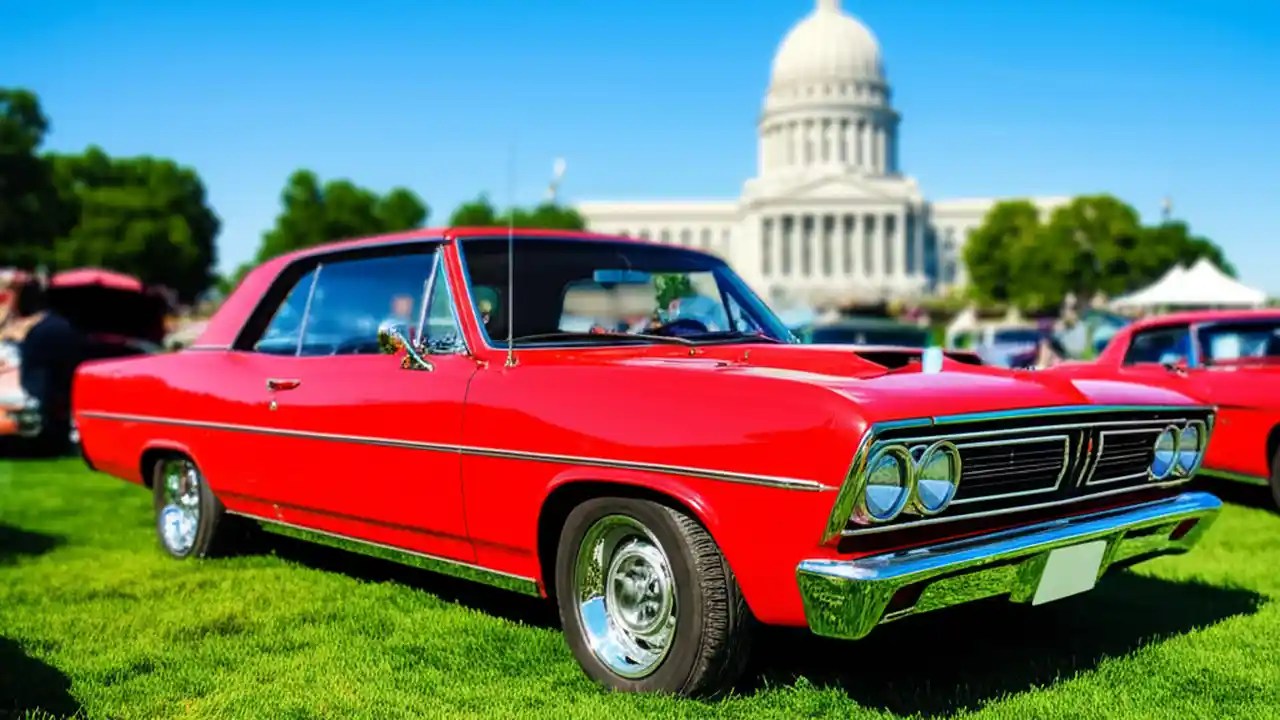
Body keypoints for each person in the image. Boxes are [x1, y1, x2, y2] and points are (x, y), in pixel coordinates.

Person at [6, 279, 86, 454]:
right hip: (58, 414)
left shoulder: (40, 332)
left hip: (41, 418)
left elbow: (38, 384)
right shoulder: (57, 325)